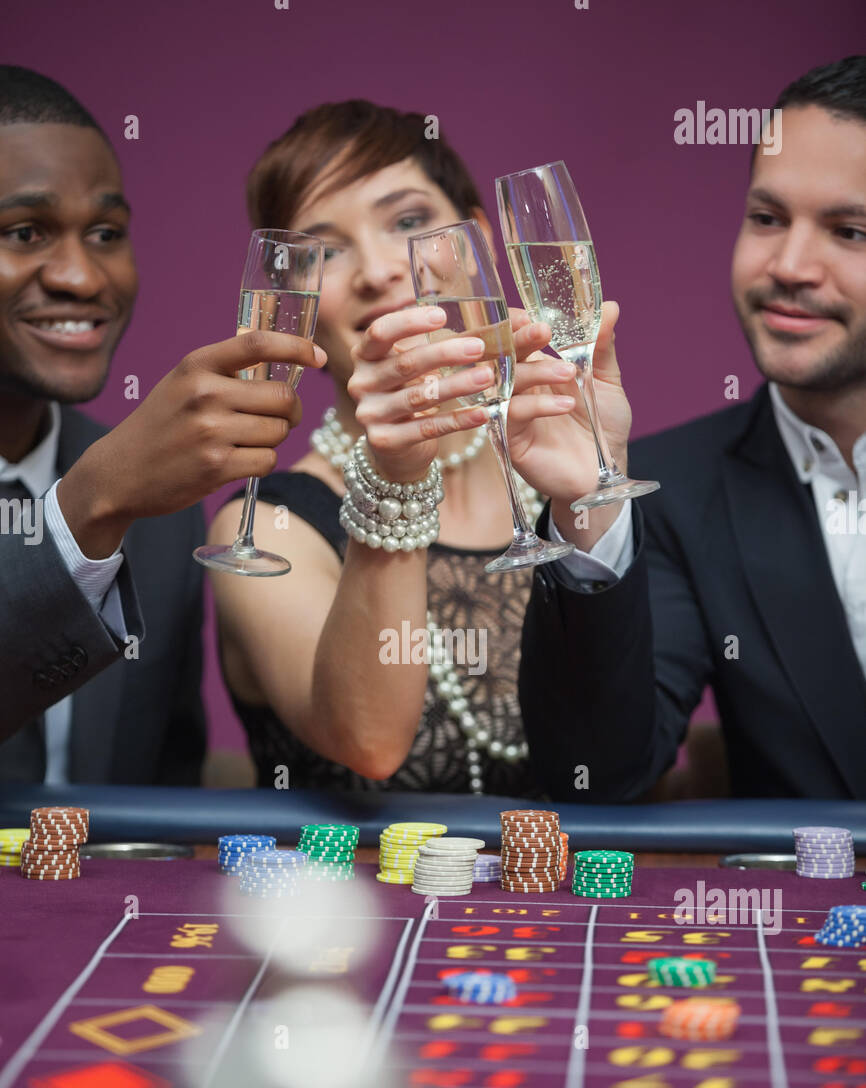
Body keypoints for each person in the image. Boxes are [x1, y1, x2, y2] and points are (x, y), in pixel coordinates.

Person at [208, 99, 628, 795]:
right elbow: (369, 746)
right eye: (328, 248)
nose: (378, 271)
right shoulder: (268, 528)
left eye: (408, 222)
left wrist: (588, 507)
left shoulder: (571, 469)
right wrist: (397, 473)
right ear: (293, 295)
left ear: (483, 239)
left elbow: (624, 767)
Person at [519, 55, 866, 803]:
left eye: (850, 231)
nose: (790, 265)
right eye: (767, 218)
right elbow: (595, 782)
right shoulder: (682, 488)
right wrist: (592, 509)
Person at [0, 66, 319, 783]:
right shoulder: (120, 486)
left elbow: (166, 787)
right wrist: (90, 507)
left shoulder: (161, 506)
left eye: (106, 232)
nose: (82, 277)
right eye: (26, 232)